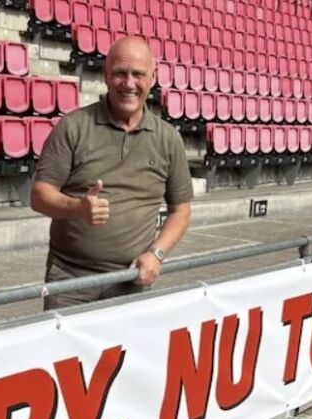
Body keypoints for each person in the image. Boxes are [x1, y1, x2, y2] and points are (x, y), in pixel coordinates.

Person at [30, 36, 193, 310]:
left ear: (152, 78)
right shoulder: (73, 127)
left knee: (128, 353)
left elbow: (182, 210)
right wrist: (76, 208)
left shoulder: (168, 139)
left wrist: (157, 254)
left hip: (132, 279)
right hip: (71, 280)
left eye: (138, 74)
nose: (129, 83)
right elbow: (39, 196)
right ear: (106, 76)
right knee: (66, 352)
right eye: (120, 73)